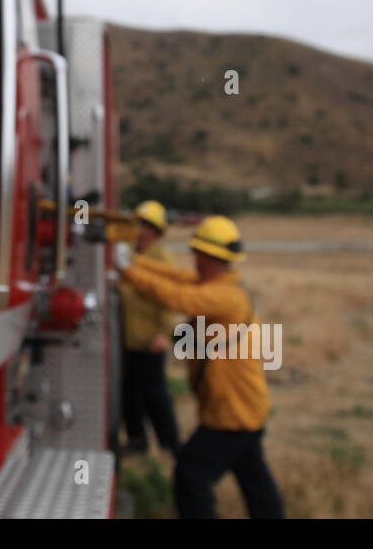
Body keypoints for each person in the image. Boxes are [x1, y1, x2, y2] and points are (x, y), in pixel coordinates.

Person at [120, 215, 284, 519]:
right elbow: (173, 276)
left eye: (198, 252)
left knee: (191, 475)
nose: (194, 258)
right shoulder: (218, 283)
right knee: (255, 481)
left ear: (209, 257)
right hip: (243, 409)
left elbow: (178, 296)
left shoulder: (224, 296)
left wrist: (126, 270)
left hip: (232, 414)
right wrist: (132, 261)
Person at [116, 200, 182, 457]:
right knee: (129, 392)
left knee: (155, 395)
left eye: (145, 225)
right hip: (128, 340)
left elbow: (169, 300)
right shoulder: (128, 256)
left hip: (150, 341)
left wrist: (163, 334)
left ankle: (172, 444)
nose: (139, 230)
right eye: (137, 224)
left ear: (155, 231)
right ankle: (136, 439)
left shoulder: (162, 260)